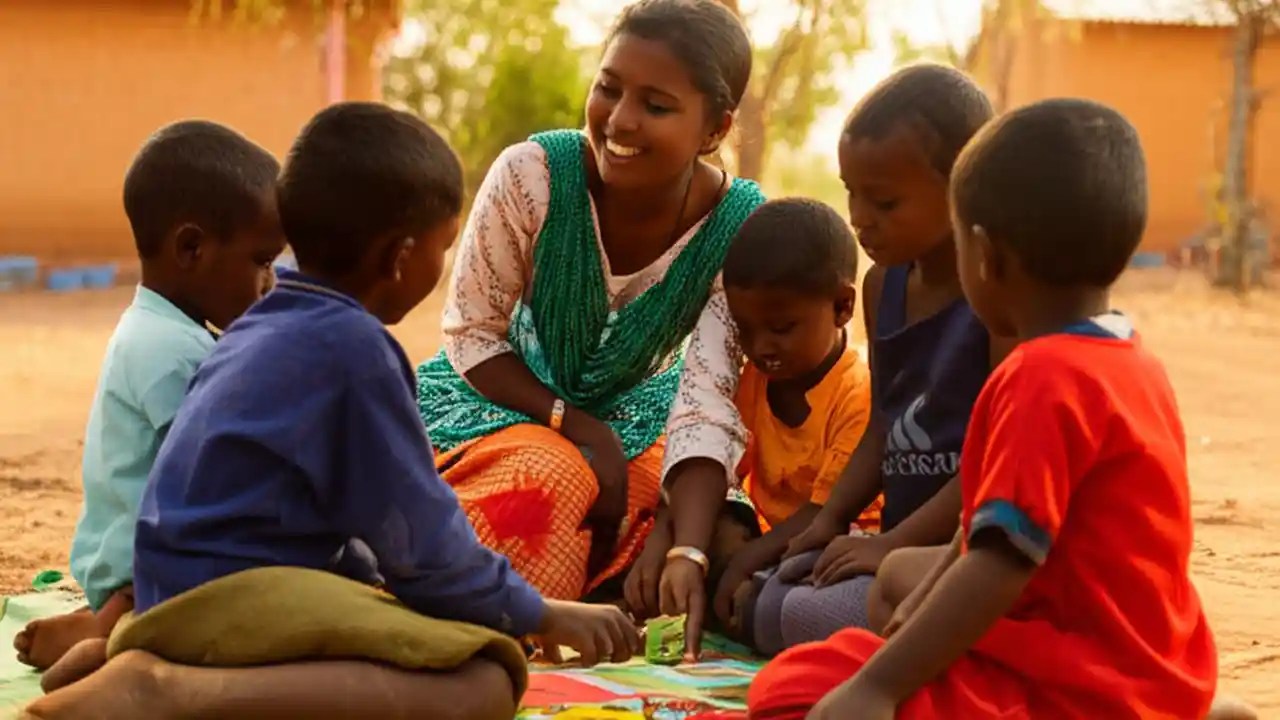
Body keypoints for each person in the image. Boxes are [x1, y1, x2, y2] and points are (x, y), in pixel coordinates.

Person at [22, 103, 639, 720]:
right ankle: (164, 693)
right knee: (488, 674)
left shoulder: (256, 325)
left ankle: (120, 660)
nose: (440, 265)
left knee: (390, 622)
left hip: (171, 591)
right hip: (235, 599)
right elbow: (425, 547)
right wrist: (540, 612)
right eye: (442, 247)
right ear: (399, 257)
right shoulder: (357, 351)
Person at [747, 98, 1221, 720]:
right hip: (1150, 661)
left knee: (793, 688)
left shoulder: (1040, 377)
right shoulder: (1131, 361)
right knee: (898, 591)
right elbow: (984, 525)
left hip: (1073, 684)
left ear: (985, 256)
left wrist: (879, 686)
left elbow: (1001, 561)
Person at [415, 0, 765, 612]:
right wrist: (578, 428)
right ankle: (472, 614)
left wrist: (676, 534)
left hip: (641, 426)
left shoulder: (737, 230)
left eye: (656, 106)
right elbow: (473, 336)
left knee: (709, 530)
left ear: (714, 130)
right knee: (553, 481)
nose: (620, 121)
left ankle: (592, 602)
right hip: (491, 403)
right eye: (608, 88)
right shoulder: (534, 175)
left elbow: (707, 398)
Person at [707, 64, 1007, 657]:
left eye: (885, 201)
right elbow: (886, 424)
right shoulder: (883, 286)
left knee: (807, 608)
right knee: (773, 591)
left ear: (961, 188)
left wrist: (892, 542)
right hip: (891, 548)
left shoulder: (995, 302)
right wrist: (829, 520)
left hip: (963, 551)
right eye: (851, 193)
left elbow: (994, 466)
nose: (859, 218)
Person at [13, 120, 284, 675]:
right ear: (191, 248)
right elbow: (215, 477)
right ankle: (104, 632)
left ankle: (107, 628)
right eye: (260, 260)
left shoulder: (164, 330)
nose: (270, 282)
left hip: (129, 559)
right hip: (141, 574)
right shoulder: (170, 352)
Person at [696, 198, 878, 641]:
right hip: (772, 544)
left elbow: (824, 515)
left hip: (837, 543)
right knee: (708, 531)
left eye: (780, 328)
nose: (761, 348)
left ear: (841, 307)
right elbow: (723, 472)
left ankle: (757, 608)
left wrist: (745, 561)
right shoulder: (754, 380)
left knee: (806, 586)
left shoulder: (857, 393)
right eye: (747, 331)